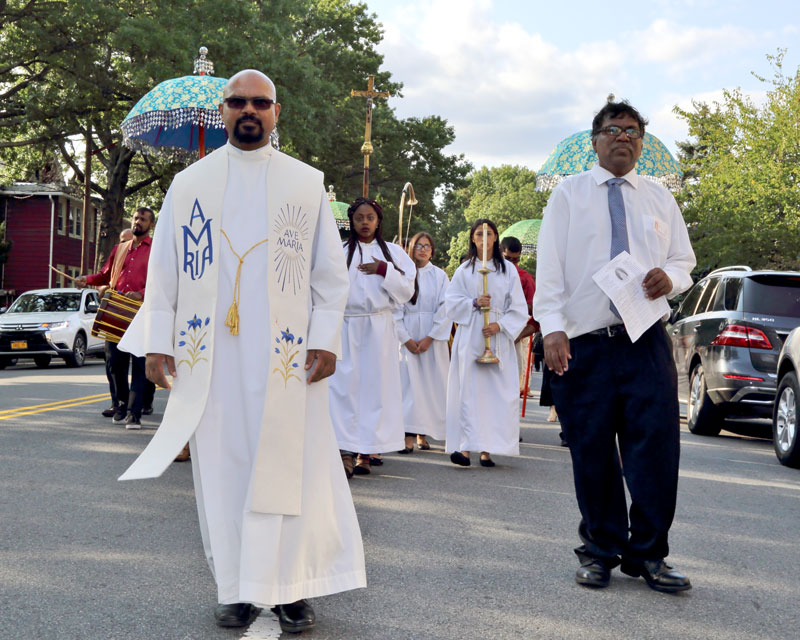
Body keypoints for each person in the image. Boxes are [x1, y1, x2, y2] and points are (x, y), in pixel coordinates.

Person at [116, 69, 365, 633]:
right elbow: (165, 272)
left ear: (278, 112)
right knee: (224, 470)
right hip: (212, 358)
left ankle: (291, 589)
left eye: (260, 102)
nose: (248, 110)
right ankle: (236, 587)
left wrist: (326, 338)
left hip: (287, 356)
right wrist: (158, 343)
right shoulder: (189, 184)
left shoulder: (307, 183)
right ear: (222, 111)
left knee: (290, 470)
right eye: (237, 102)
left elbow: (331, 274)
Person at [534, 100, 696, 593]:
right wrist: (552, 329)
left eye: (632, 131)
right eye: (613, 129)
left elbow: (685, 262)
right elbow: (551, 269)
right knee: (593, 450)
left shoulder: (660, 200)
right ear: (595, 140)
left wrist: (669, 277)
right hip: (588, 343)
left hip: (646, 341)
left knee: (656, 450)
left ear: (641, 142)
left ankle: (648, 554)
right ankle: (600, 550)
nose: (622, 137)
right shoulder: (569, 194)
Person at [329, 198, 416, 476]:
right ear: (351, 222)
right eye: (359, 218)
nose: (364, 223)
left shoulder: (393, 253)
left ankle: (365, 452)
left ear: (378, 221)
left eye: (370, 218)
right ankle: (344, 451)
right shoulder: (339, 251)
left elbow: (407, 293)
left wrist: (383, 270)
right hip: (347, 326)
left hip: (379, 329)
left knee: (372, 390)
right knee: (344, 390)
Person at [445, 219, 528, 467]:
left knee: (494, 394)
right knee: (470, 392)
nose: (484, 238)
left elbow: (519, 308)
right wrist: (473, 303)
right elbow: (450, 303)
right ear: (473, 239)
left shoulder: (508, 271)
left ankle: (487, 449)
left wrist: (500, 325)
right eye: (479, 234)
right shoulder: (464, 270)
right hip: (471, 335)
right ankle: (466, 448)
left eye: (489, 233)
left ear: (495, 238)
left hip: (497, 337)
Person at [77, 208, 154, 428]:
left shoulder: (155, 250)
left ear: (150, 224)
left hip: (140, 314)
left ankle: (134, 413)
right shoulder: (119, 249)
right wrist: (87, 279)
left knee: (139, 365)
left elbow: (162, 281)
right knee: (114, 363)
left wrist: (142, 293)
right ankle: (121, 403)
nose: (138, 222)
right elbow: (105, 274)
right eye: (136, 218)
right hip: (115, 313)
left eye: (143, 219)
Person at [393, 232, 450, 452]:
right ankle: (406, 435)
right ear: (411, 249)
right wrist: (405, 338)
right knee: (408, 387)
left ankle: (422, 433)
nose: (423, 250)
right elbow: (395, 308)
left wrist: (430, 337)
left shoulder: (440, 276)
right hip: (408, 333)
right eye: (418, 246)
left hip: (431, 336)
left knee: (429, 386)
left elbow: (446, 308)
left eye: (427, 246)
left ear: (432, 250)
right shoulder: (404, 275)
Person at [500, 236, 538, 397]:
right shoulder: (485, 274)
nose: (511, 264)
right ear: (499, 253)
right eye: (507, 259)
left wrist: (518, 335)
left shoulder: (525, 278)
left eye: (515, 260)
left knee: (510, 390)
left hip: (512, 339)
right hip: (484, 336)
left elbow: (536, 314)